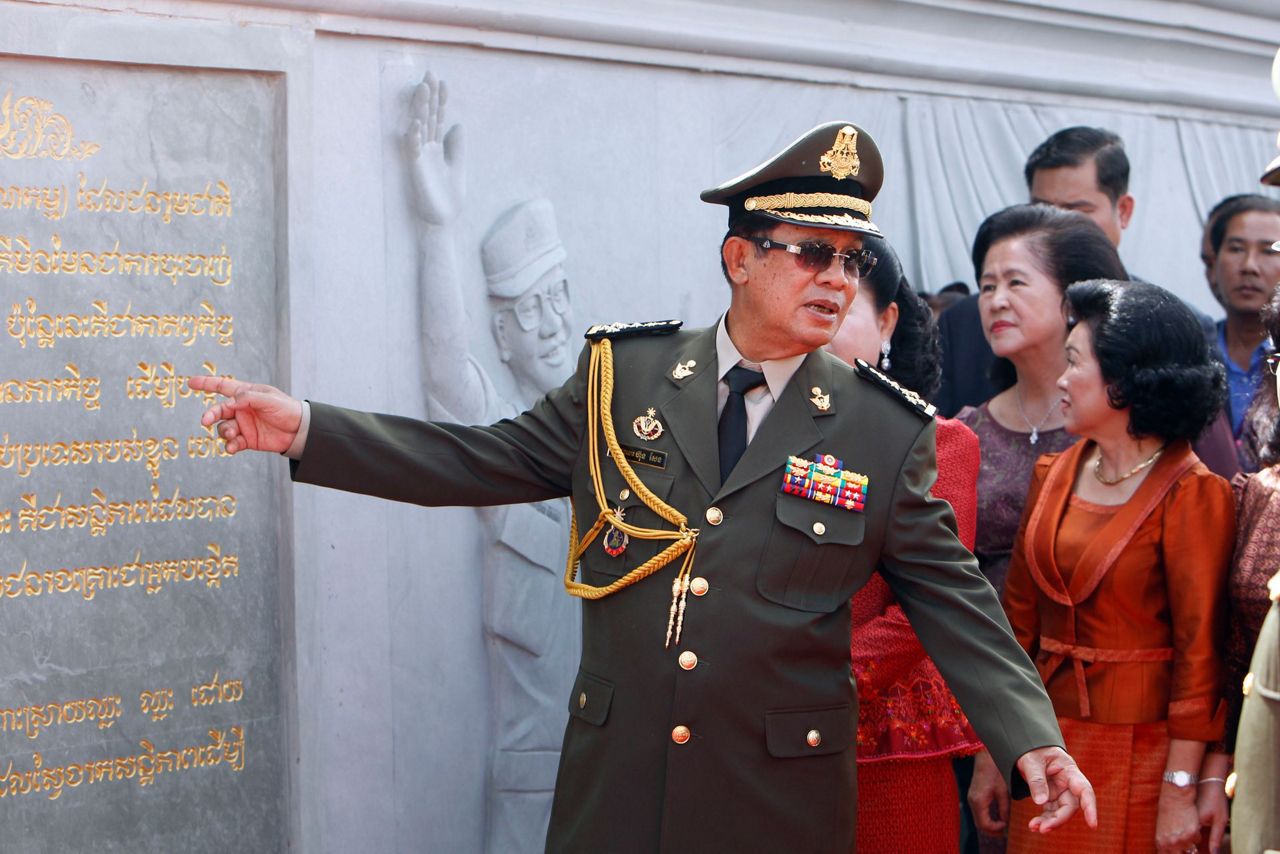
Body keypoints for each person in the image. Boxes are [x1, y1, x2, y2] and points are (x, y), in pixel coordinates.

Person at [190, 121, 1097, 852]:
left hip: (777, 800)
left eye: (850, 259)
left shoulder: (882, 428)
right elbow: (478, 459)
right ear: (741, 258)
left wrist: (1033, 739)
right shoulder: (623, 378)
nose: (836, 276)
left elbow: (955, 601)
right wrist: (309, 428)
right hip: (619, 787)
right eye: (812, 253)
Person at [970, 280, 1232, 853]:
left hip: (1145, 754)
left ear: (1124, 378)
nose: (1060, 380)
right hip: (1045, 748)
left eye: (1073, 362)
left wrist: (1180, 789)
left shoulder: (1193, 493)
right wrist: (994, 751)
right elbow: (1014, 629)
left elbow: (1201, 656)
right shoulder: (1054, 472)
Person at [404, 72, 580, 853]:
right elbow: (448, 379)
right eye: (523, 311)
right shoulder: (506, 440)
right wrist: (436, 227)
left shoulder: (628, 431)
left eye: (556, 301)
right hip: (536, 770)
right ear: (500, 336)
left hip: (630, 756)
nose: (547, 326)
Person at [826, 235, 983, 851]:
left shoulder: (937, 443)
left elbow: (926, 608)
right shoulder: (745, 433)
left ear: (887, 320)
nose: (816, 329)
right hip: (750, 738)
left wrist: (808, 680)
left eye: (838, 309)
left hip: (882, 743)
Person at [936, 128, 1221, 427]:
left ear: (1123, 210)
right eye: (1042, 209)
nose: (1054, 227)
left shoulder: (1171, 326)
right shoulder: (963, 324)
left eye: (1076, 210)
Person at [958, 204, 1127, 597]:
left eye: (1015, 283)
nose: (996, 300)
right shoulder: (966, 430)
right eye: (987, 286)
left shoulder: (1117, 422)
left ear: (1074, 298)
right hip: (986, 647)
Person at [1203, 194, 1280, 469]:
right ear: (1212, 264)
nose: (1249, 265)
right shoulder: (1191, 352)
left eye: (1269, 251)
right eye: (1236, 249)